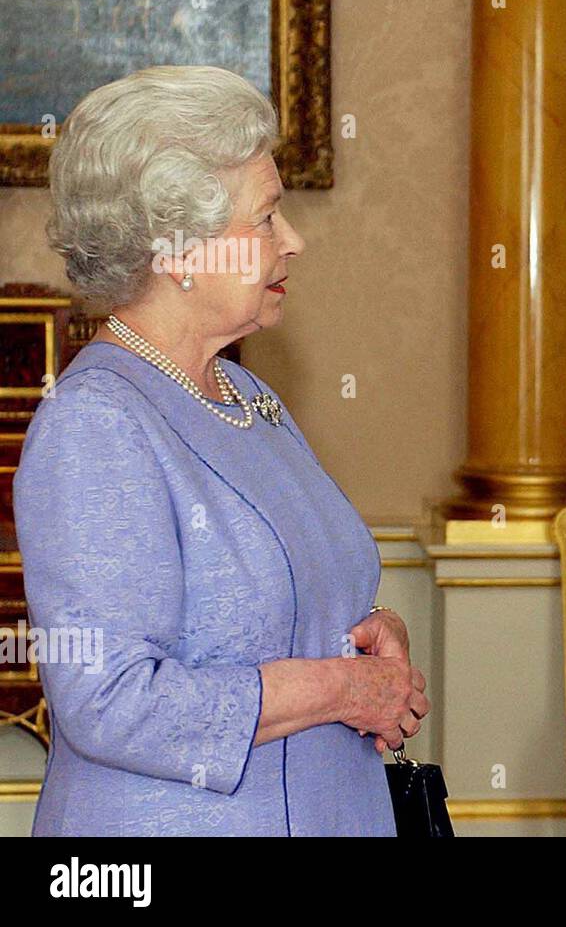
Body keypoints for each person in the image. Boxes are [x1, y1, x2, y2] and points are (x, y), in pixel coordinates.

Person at [14, 66, 428, 835]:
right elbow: (109, 699)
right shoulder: (96, 425)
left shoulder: (248, 399)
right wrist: (340, 688)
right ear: (178, 249)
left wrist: (371, 635)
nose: (293, 242)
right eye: (267, 218)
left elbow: (278, 602)